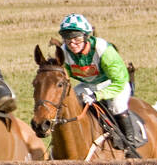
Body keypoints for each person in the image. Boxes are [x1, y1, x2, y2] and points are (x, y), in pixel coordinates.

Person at [57, 14, 143, 152]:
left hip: (114, 84)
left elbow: (119, 81)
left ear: (86, 37)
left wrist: (98, 95)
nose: (72, 44)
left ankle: (130, 145)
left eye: (77, 38)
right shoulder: (63, 52)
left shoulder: (103, 49)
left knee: (117, 106)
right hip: (89, 86)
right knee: (69, 103)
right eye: (67, 39)